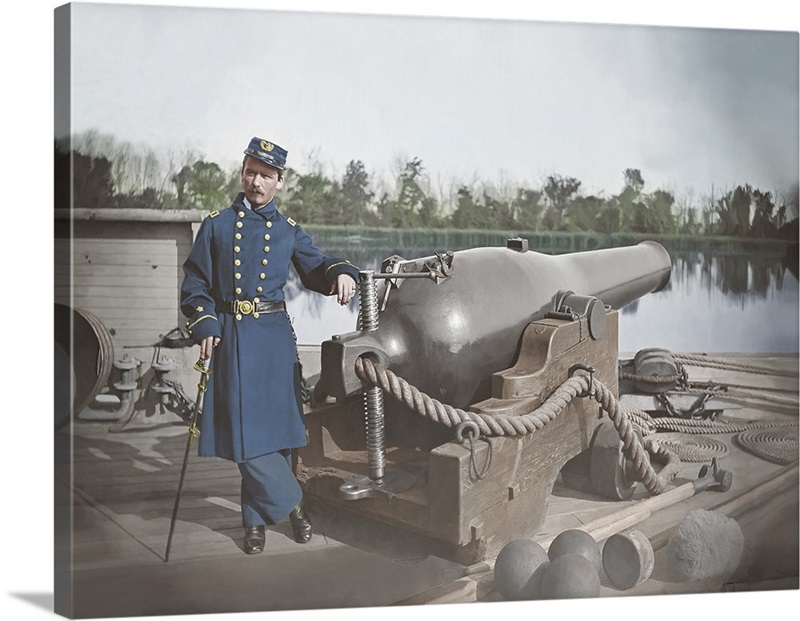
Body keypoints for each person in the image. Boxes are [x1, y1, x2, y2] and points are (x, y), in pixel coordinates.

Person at [180, 136, 359, 554]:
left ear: (279, 181)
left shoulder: (287, 231)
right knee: (245, 431)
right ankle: (294, 505)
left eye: (265, 175)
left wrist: (343, 274)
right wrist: (204, 322)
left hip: (274, 337)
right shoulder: (217, 224)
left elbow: (317, 268)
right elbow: (195, 282)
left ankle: (254, 524)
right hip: (233, 336)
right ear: (242, 173)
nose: (256, 182)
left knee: (274, 432)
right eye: (250, 172)